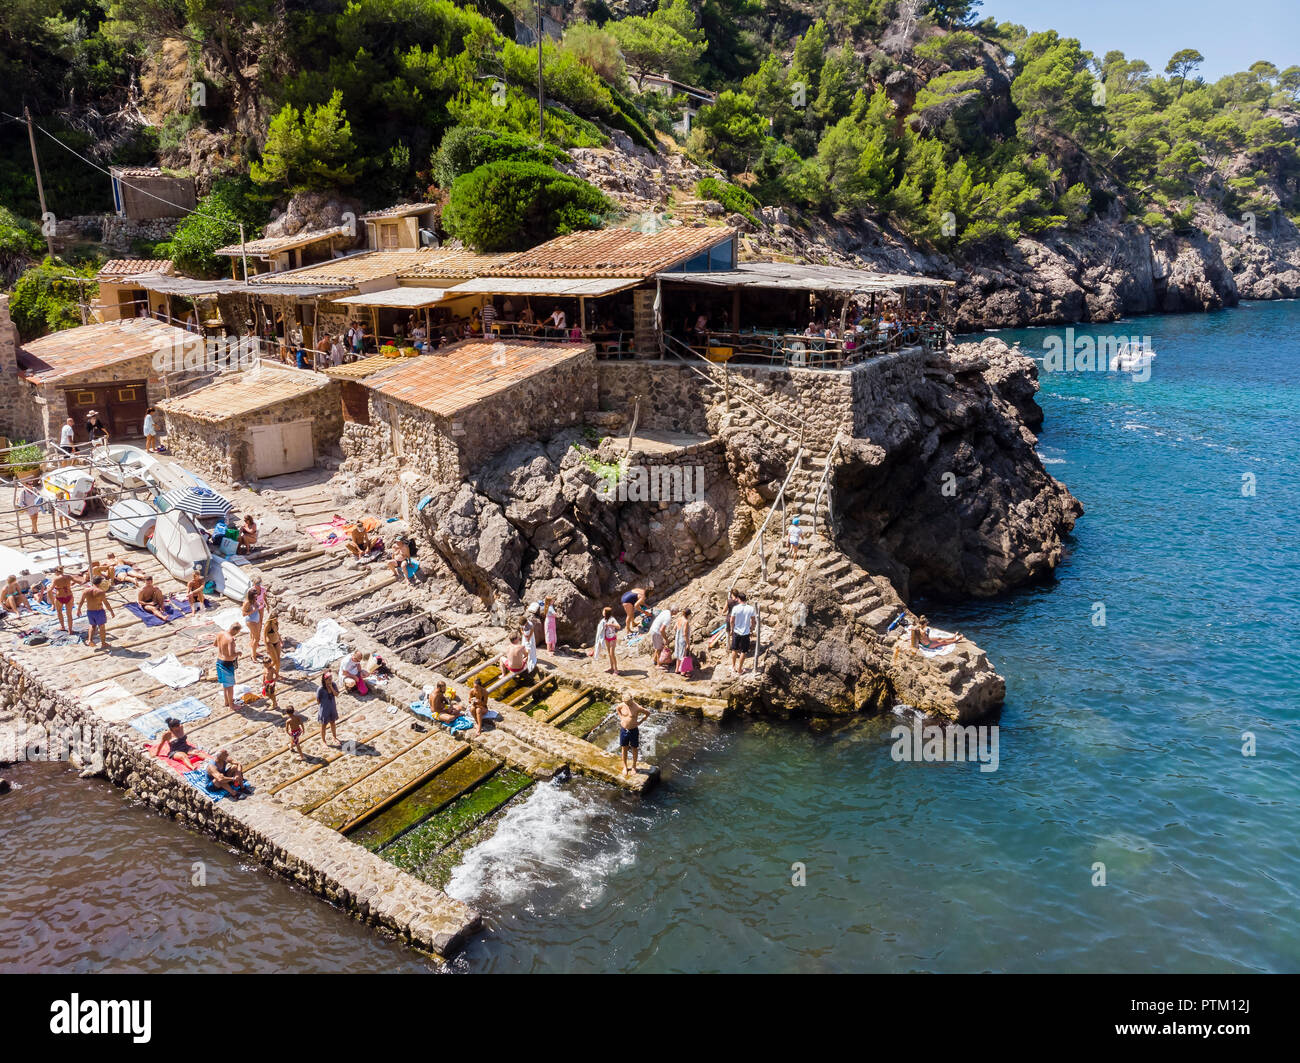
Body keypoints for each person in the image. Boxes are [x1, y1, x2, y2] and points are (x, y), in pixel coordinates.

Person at [614, 696, 651, 776]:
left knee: (634, 748)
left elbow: (647, 713)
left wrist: (640, 722)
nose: (627, 704)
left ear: (632, 699)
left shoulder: (637, 707)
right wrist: (621, 718)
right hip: (624, 730)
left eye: (629, 702)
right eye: (626, 702)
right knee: (624, 748)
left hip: (633, 730)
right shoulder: (622, 705)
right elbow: (617, 709)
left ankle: (634, 766)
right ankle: (625, 766)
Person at [77, 577, 115, 650]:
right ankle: (103, 643)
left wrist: (78, 609)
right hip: (99, 611)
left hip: (90, 611)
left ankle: (90, 640)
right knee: (102, 627)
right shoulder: (100, 592)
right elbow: (106, 603)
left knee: (92, 625)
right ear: (100, 583)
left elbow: (81, 601)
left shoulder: (86, 590)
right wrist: (111, 611)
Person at [729, 590, 758, 675]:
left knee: (734, 649)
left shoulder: (735, 608)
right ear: (745, 599)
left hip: (736, 631)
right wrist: (751, 630)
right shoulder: (750, 608)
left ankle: (733, 666)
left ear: (738, 599)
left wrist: (731, 629)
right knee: (743, 651)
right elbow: (753, 621)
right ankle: (740, 669)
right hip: (745, 633)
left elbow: (731, 620)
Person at [214, 623, 241, 710]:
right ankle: (231, 705)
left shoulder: (220, 633)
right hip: (227, 664)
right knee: (230, 687)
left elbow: (215, 644)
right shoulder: (230, 640)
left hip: (219, 661)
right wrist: (238, 653)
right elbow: (231, 654)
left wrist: (224, 646)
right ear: (235, 630)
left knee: (225, 684)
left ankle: (227, 701)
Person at [317, 669, 341, 746]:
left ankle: (334, 737)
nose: (331, 681)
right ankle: (323, 741)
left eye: (331, 679)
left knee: (333, 722)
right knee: (323, 725)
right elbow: (318, 700)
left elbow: (336, 694)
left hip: (332, 707)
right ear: (325, 680)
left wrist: (331, 687)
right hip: (324, 709)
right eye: (329, 679)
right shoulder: (320, 689)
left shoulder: (333, 685)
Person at [593, 606, 621, 675]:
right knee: (609, 654)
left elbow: (619, 626)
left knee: (612, 654)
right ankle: (611, 667)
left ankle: (616, 669)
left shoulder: (612, 619)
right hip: (606, 638)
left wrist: (610, 624)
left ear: (606, 613)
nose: (602, 612)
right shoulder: (603, 620)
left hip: (612, 638)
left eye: (603, 611)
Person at [50, 567, 75, 634]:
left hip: (59, 597)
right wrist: (70, 585)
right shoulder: (68, 577)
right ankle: (70, 630)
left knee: (59, 612)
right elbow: (76, 580)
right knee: (69, 614)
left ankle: (63, 626)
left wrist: (52, 602)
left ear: (56, 572)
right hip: (69, 596)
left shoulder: (55, 579)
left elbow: (50, 589)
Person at [241, 587, 263, 662]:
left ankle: (254, 652)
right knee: (256, 638)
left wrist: (259, 604)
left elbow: (256, 606)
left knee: (255, 637)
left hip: (256, 619)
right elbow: (243, 614)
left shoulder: (254, 600)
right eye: (255, 595)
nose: (257, 596)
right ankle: (253, 655)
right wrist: (253, 610)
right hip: (250, 621)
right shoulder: (247, 602)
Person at [673, 607, 693, 677]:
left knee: (678, 654)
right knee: (683, 656)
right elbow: (685, 633)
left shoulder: (679, 619)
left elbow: (674, 628)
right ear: (688, 615)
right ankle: (683, 671)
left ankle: (677, 669)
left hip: (677, 638)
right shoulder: (686, 621)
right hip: (682, 640)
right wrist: (688, 643)